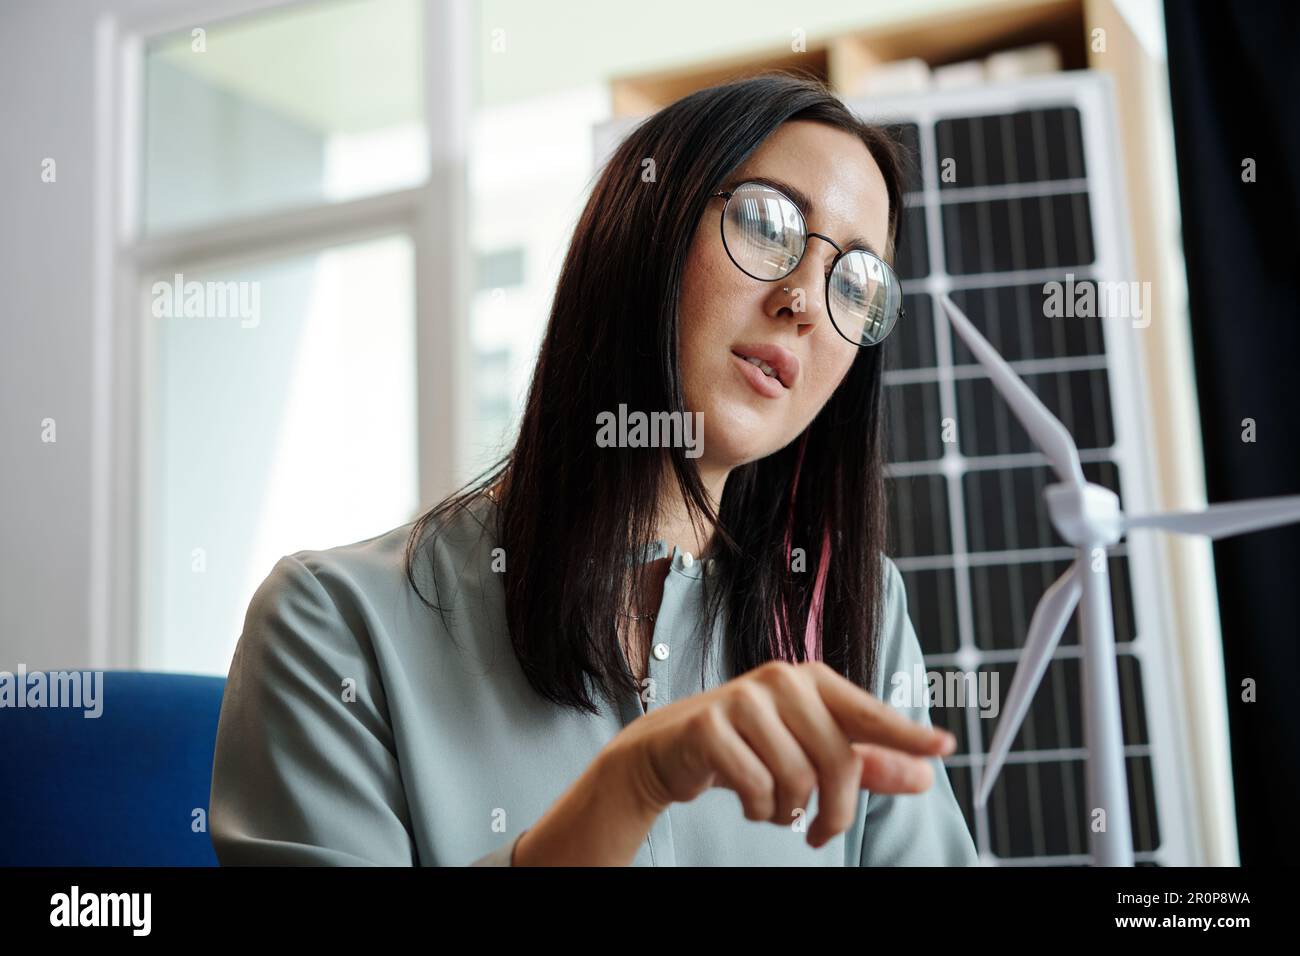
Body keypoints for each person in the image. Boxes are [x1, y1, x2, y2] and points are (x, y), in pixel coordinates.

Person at [209, 71, 979, 867]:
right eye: (765, 223)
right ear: (643, 234)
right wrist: (629, 789)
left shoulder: (864, 612)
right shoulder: (333, 626)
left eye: (856, 280)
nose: (806, 303)